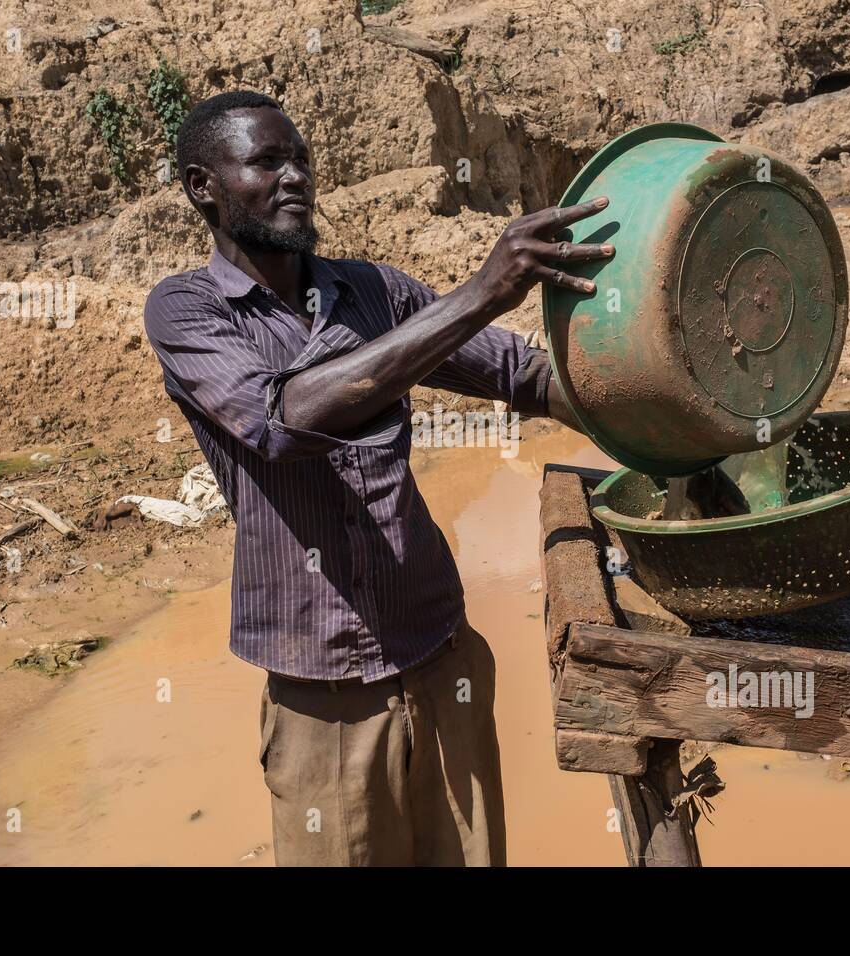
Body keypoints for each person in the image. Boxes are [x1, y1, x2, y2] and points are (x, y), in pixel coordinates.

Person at [143, 90, 612, 866]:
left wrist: (661, 412)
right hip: (325, 699)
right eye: (267, 161)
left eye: (301, 158)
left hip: (442, 657)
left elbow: (524, 377)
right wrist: (481, 291)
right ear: (204, 185)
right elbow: (282, 419)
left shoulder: (375, 293)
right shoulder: (188, 313)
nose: (295, 176)